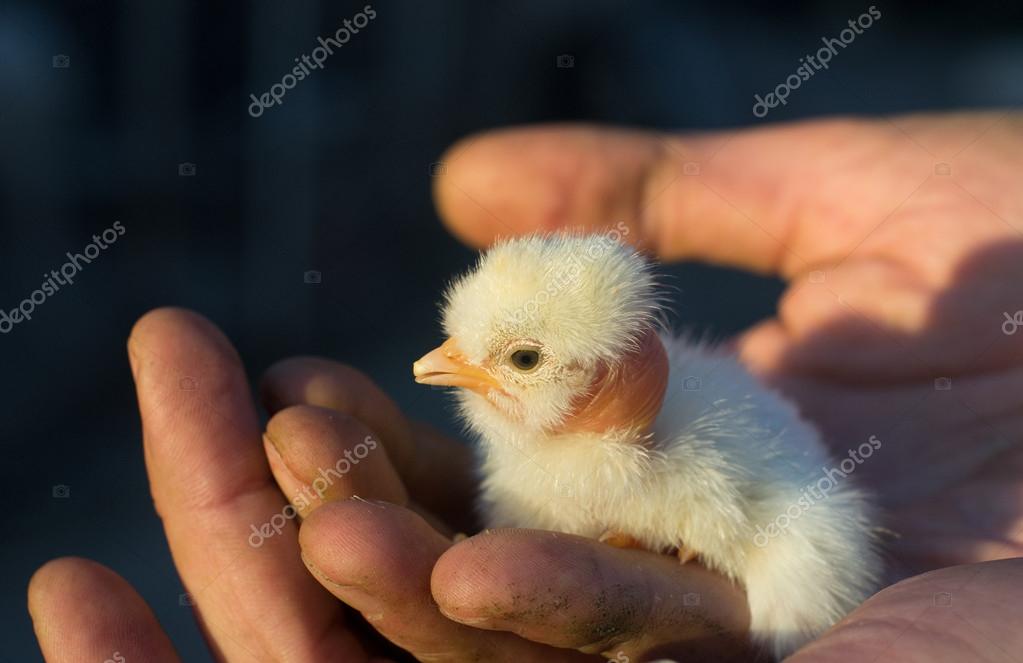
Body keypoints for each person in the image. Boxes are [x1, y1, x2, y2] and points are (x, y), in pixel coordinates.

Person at [28, 113, 1023, 662]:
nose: (440, 366)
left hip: (769, 526)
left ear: (605, 382)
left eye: (521, 361)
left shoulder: (687, 436)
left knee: (801, 575)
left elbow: (801, 527)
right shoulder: (547, 451)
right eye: (468, 346)